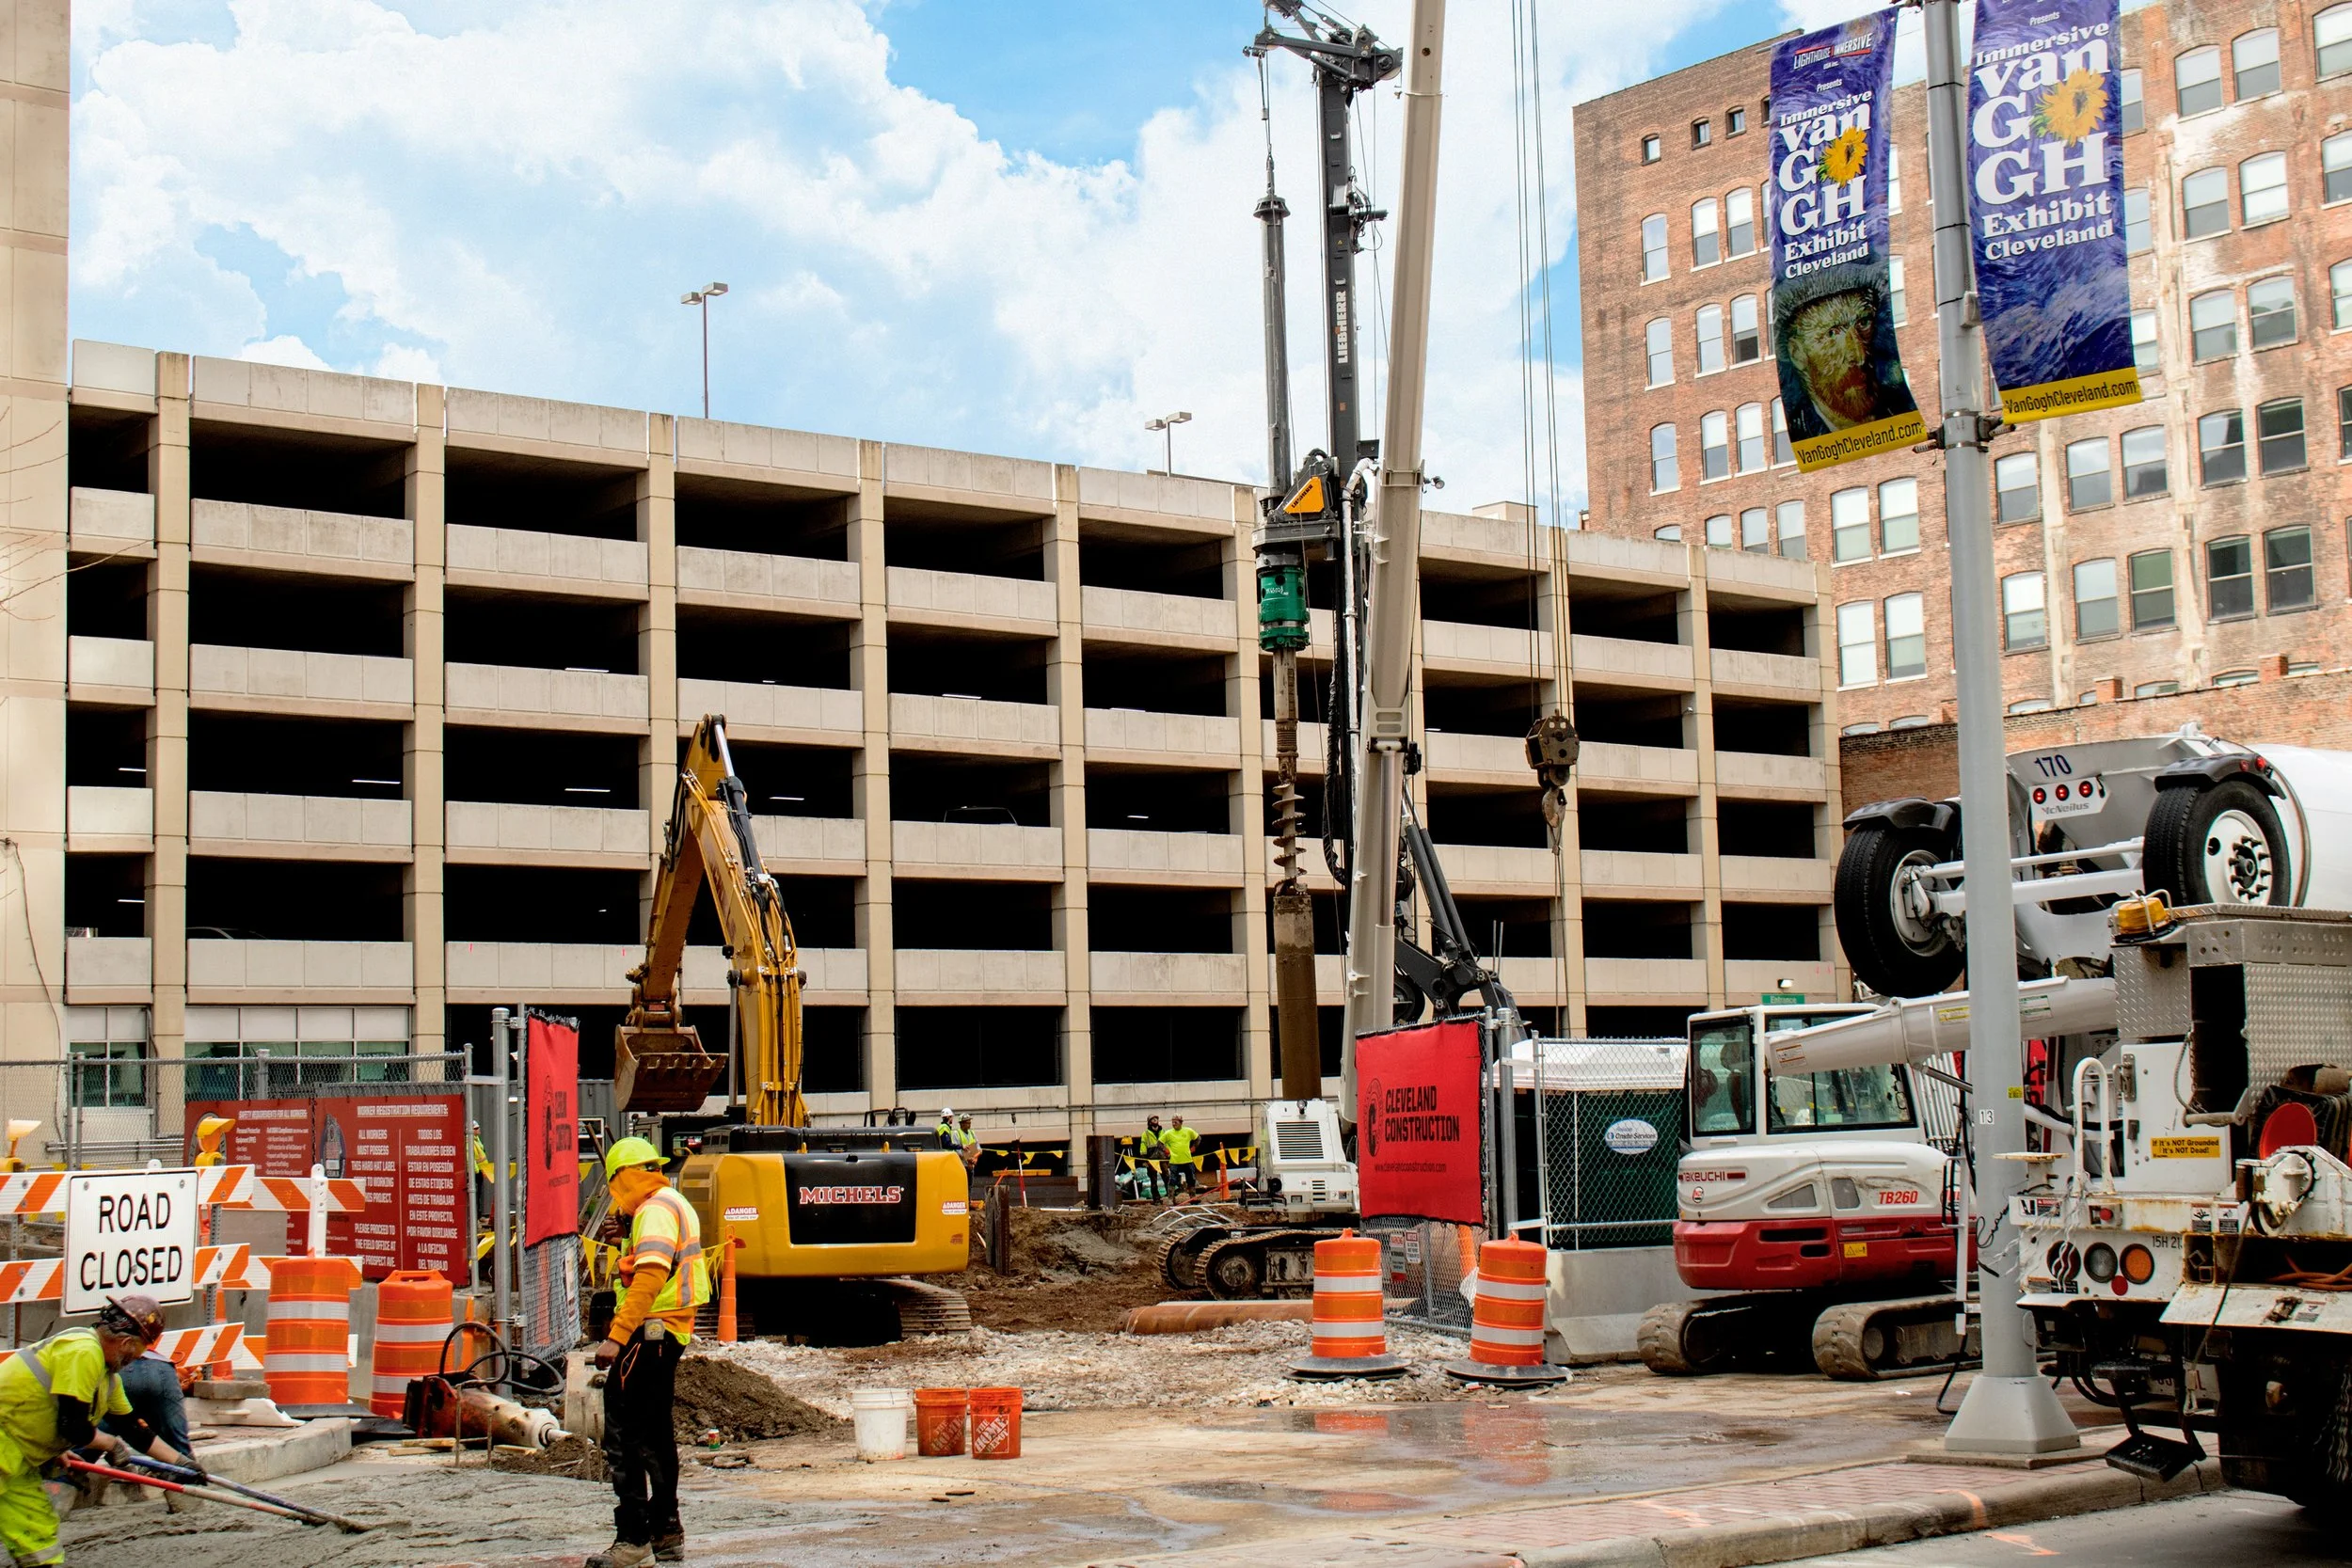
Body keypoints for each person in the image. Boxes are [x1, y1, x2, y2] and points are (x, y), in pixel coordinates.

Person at [0, 1294, 195, 1567]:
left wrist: (182, 1464)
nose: (137, 1360)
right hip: (5, 1447)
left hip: (16, 1458)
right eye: (139, 1352)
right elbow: (73, 1425)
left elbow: (132, 1428)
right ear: (127, 1343)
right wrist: (110, 1445)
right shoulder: (83, 1351)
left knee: (38, 1536)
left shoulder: (108, 1378)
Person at [588, 1138, 709, 1568]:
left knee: (625, 1433)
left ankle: (634, 1538)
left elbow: (651, 1277)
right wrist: (625, 1239)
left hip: (647, 1332)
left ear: (626, 1176)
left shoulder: (654, 1210)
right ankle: (666, 1532)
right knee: (656, 1432)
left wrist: (616, 1336)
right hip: (667, 1331)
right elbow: (647, 1264)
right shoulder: (667, 1202)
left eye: (615, 1182)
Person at [1160, 1114, 1201, 1197]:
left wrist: (1194, 1147)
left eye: (1175, 1122)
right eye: (1172, 1122)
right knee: (1172, 1180)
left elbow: (1198, 1138)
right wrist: (1166, 1150)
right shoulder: (1168, 1133)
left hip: (1187, 1160)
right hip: (1175, 1161)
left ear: (1181, 1122)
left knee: (1191, 1179)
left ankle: (1192, 1197)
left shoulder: (1188, 1131)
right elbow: (1159, 1143)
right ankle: (1171, 1198)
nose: (1174, 1124)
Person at [1136, 1116, 1169, 1203]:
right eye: (1153, 1119)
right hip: (1152, 1160)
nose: (1155, 1120)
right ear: (1149, 1122)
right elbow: (1143, 1147)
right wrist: (1145, 1160)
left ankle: (1170, 1197)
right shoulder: (1146, 1134)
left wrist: (1169, 1156)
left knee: (1167, 1178)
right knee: (1153, 1181)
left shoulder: (1163, 1132)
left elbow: (1168, 1145)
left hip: (1162, 1159)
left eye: (1156, 1119)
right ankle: (1156, 1199)